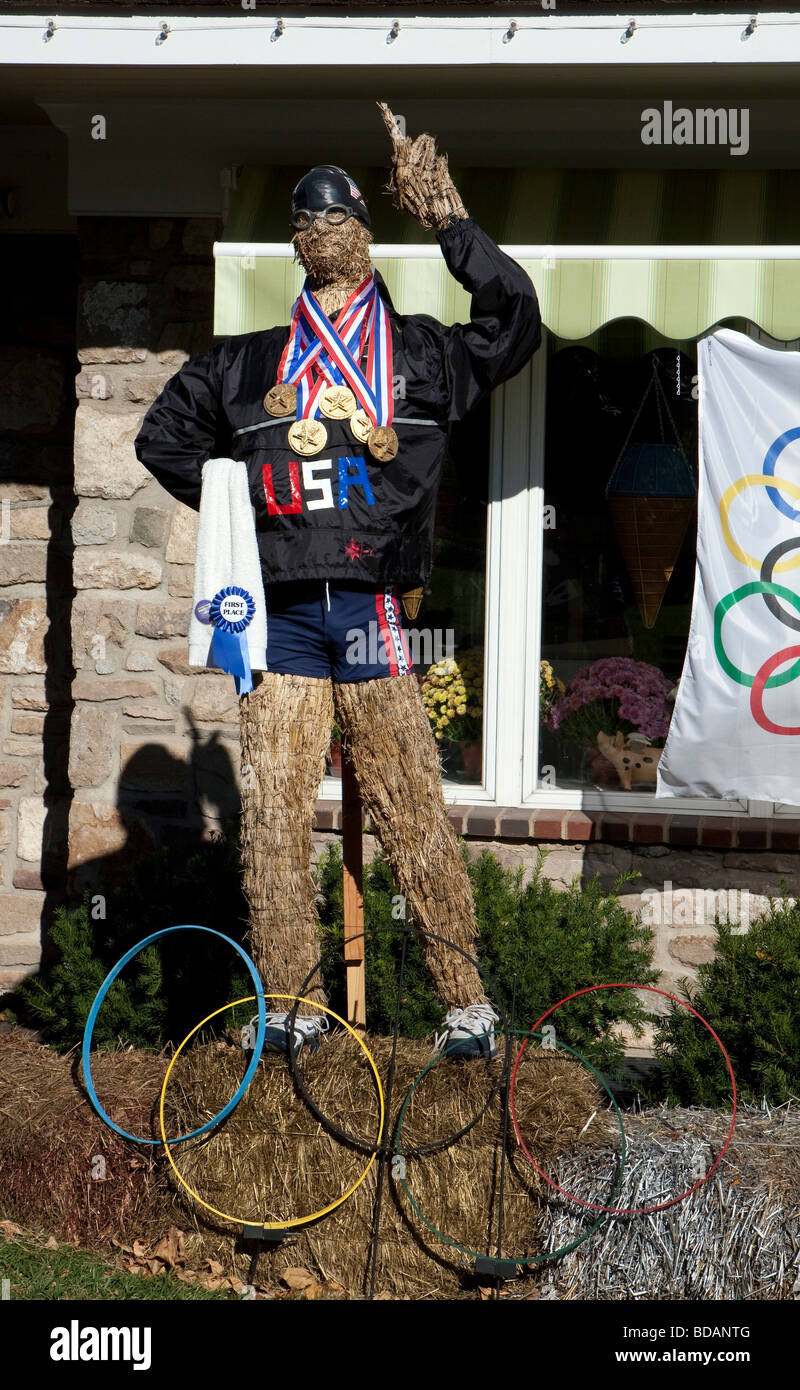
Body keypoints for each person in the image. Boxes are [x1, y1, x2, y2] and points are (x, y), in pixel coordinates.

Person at [134, 104, 541, 1058]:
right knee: (273, 816)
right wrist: (245, 507)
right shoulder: (244, 366)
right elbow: (160, 438)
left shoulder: (425, 355)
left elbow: (515, 318)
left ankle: (466, 1004)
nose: (321, 231)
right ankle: (290, 1005)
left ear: (366, 233)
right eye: (305, 222)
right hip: (276, 617)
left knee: (409, 806)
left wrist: (450, 223)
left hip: (370, 611)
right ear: (292, 244)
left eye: (339, 219)